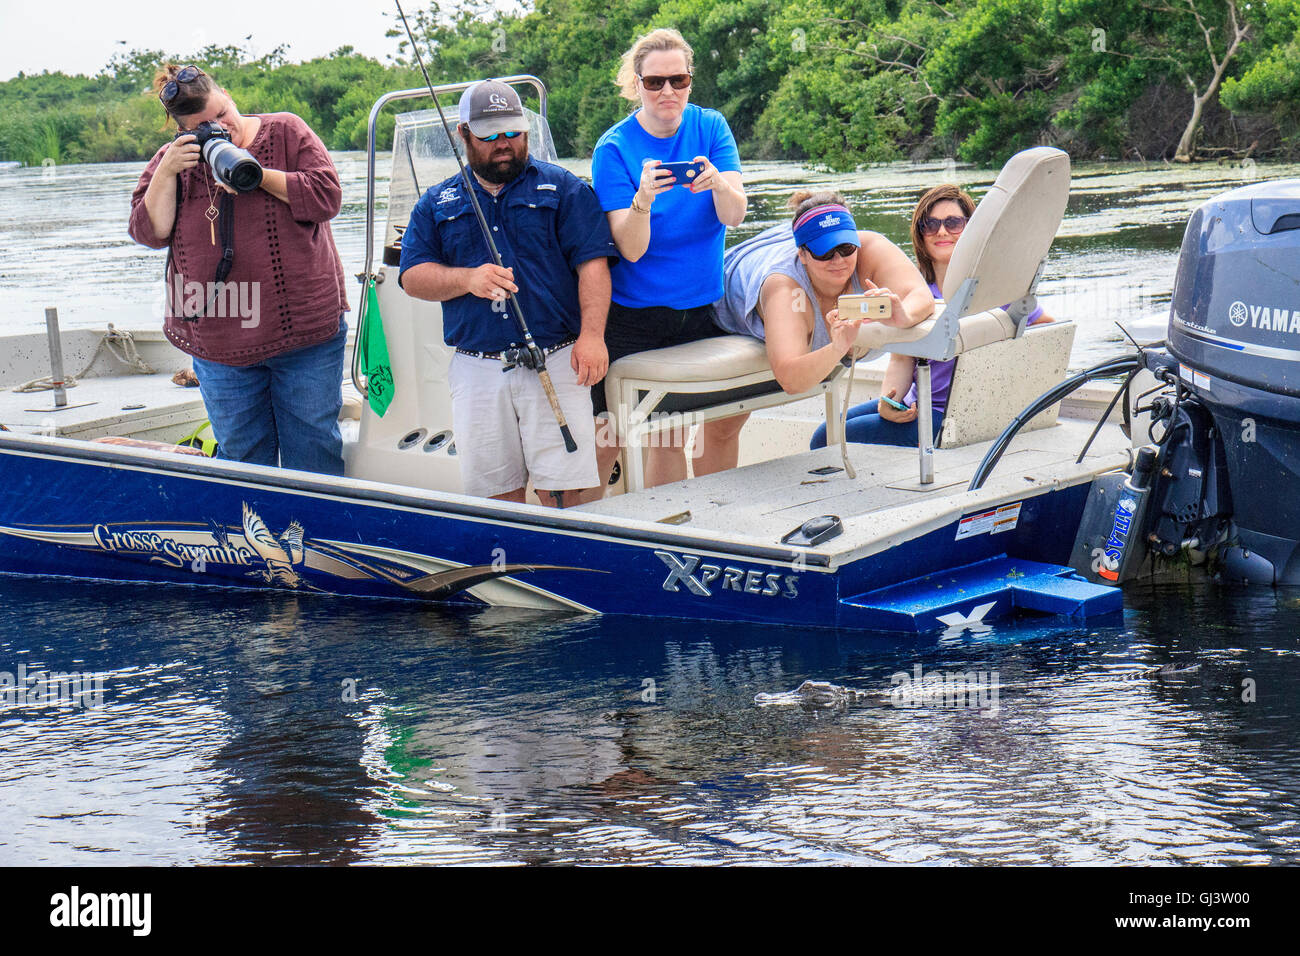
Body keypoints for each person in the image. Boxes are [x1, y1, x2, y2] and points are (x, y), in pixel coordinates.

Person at [399, 80, 616, 508]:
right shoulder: (434, 203)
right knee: (495, 498)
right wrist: (466, 279)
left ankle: (565, 567)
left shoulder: (566, 189)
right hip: (477, 367)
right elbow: (412, 277)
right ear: (463, 134)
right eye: (490, 135)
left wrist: (593, 336)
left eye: (512, 132)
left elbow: (593, 265)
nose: (504, 144)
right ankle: (509, 568)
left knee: (565, 493)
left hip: (558, 357)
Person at [128, 63, 349, 475]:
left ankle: (316, 537)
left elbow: (326, 197)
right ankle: (250, 537)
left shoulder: (285, 130)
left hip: (304, 334)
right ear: (180, 132)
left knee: (314, 449)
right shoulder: (173, 161)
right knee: (242, 457)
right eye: (201, 128)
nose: (218, 129)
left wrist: (259, 176)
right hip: (220, 339)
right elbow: (148, 231)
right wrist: (167, 170)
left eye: (220, 115)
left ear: (228, 96)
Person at [588, 28, 748, 494]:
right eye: (654, 82)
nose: (667, 92)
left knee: (686, 430)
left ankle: (704, 529)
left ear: (690, 82)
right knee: (611, 436)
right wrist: (641, 201)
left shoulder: (711, 126)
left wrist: (719, 183)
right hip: (634, 316)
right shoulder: (614, 149)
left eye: (677, 80)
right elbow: (631, 249)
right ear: (635, 84)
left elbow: (734, 215)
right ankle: (581, 531)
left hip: (700, 310)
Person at [810, 184, 1052, 447]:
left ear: (970, 229)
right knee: (827, 431)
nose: (942, 231)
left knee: (825, 440)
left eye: (953, 222)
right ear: (920, 233)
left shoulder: (998, 288)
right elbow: (902, 359)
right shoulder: (913, 289)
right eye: (931, 224)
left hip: (955, 416)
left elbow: (1047, 332)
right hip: (917, 402)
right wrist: (888, 402)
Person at [713, 188, 934, 405]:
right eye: (825, 252)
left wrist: (903, 315)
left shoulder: (871, 248)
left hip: (781, 244)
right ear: (803, 254)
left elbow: (920, 295)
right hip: (726, 284)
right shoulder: (787, 291)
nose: (838, 260)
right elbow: (790, 379)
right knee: (725, 425)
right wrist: (837, 347)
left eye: (846, 247)